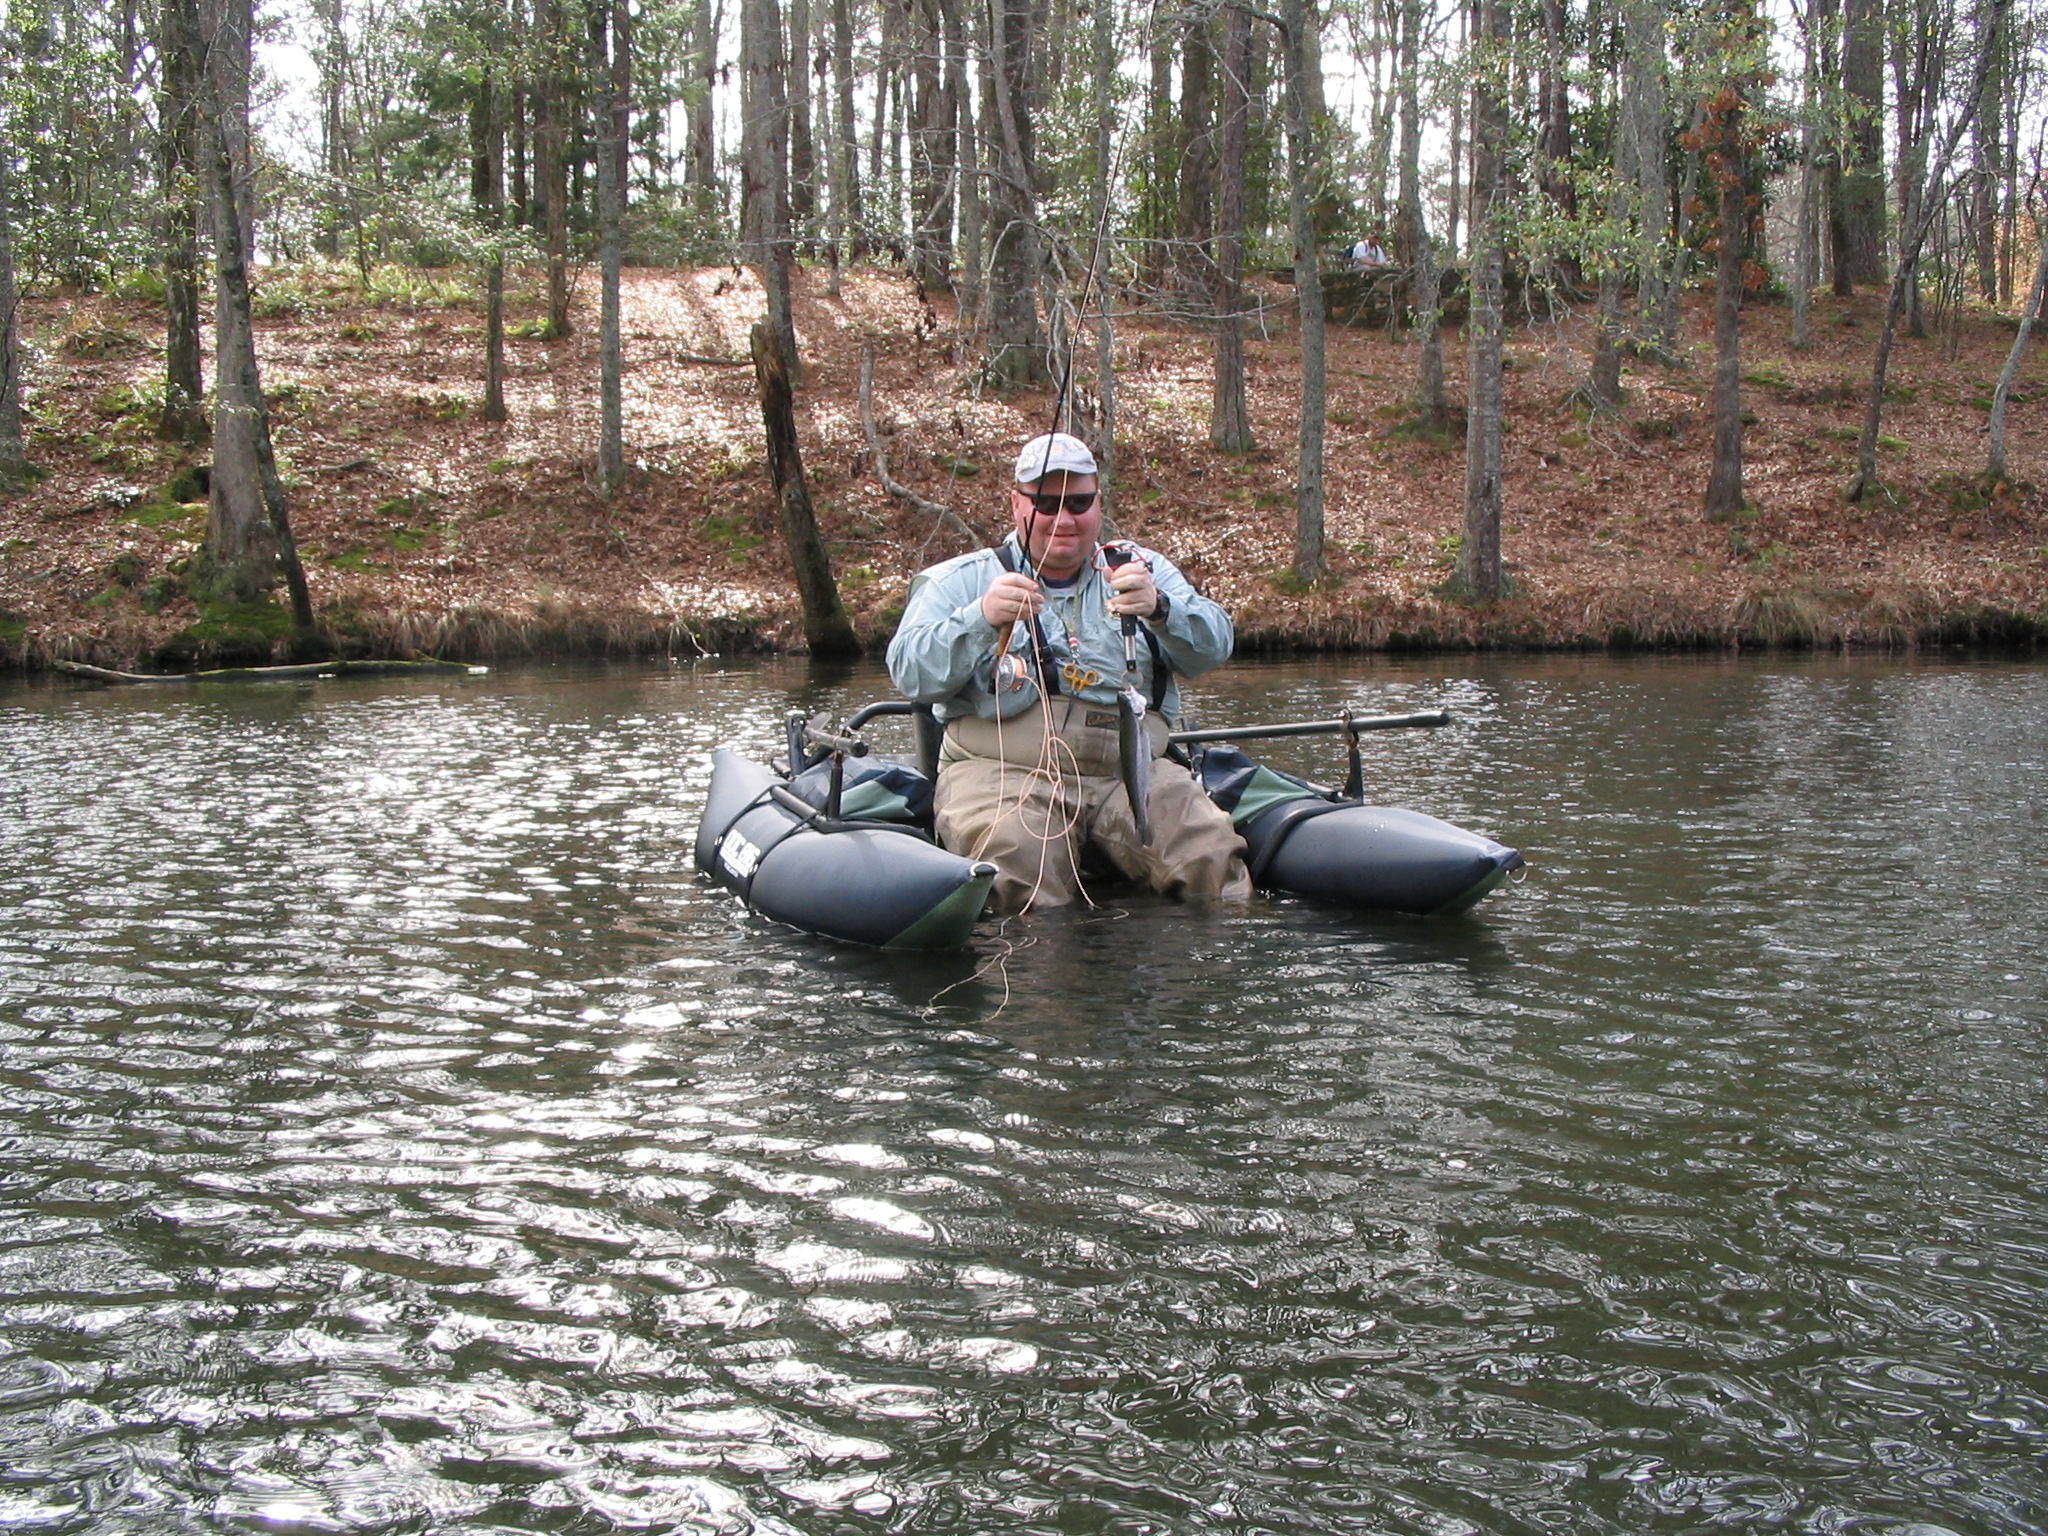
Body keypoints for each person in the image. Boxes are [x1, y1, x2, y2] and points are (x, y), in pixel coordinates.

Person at [886, 432, 1251, 914]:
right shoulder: (961, 580)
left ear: (1098, 504)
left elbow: (1213, 648)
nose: (1064, 518)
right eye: (1046, 502)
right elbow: (909, 673)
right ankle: (1041, 987)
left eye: (1079, 502)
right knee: (1019, 864)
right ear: (1017, 503)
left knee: (1209, 855)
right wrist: (978, 619)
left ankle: (1186, 986)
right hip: (1004, 775)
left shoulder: (1143, 569)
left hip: (1133, 777)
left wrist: (1162, 610)